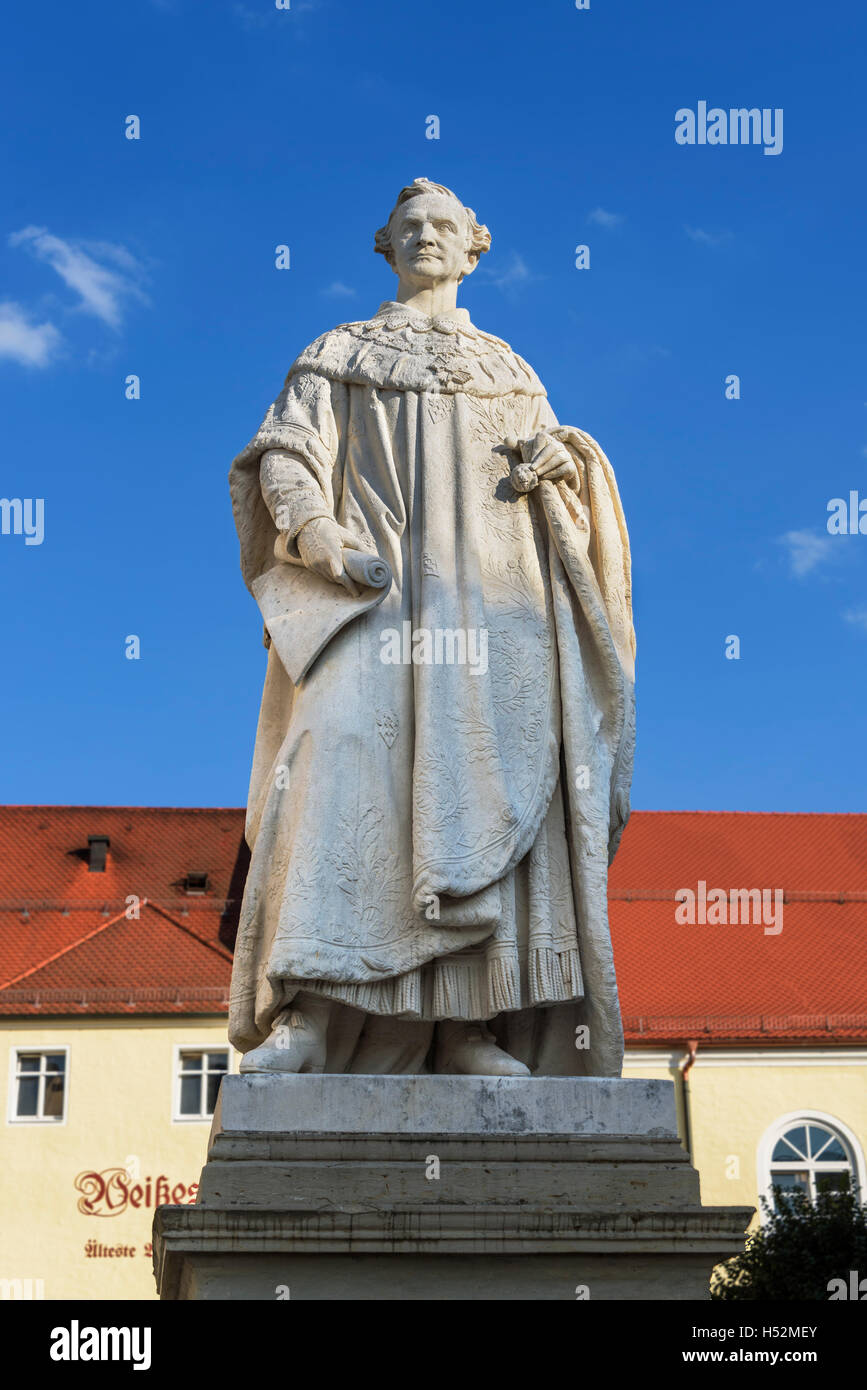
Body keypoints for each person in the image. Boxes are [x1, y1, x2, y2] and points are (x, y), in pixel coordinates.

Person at [228, 178, 635, 1077]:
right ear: (385, 244)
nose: (424, 236)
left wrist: (566, 462)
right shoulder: (337, 351)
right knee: (334, 763)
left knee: (483, 790)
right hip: (372, 598)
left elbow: (556, 479)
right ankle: (310, 1018)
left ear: (472, 246)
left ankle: (465, 1030)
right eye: (408, 226)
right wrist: (316, 532)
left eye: (441, 226)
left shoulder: (509, 370)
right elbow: (285, 456)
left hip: (494, 611)